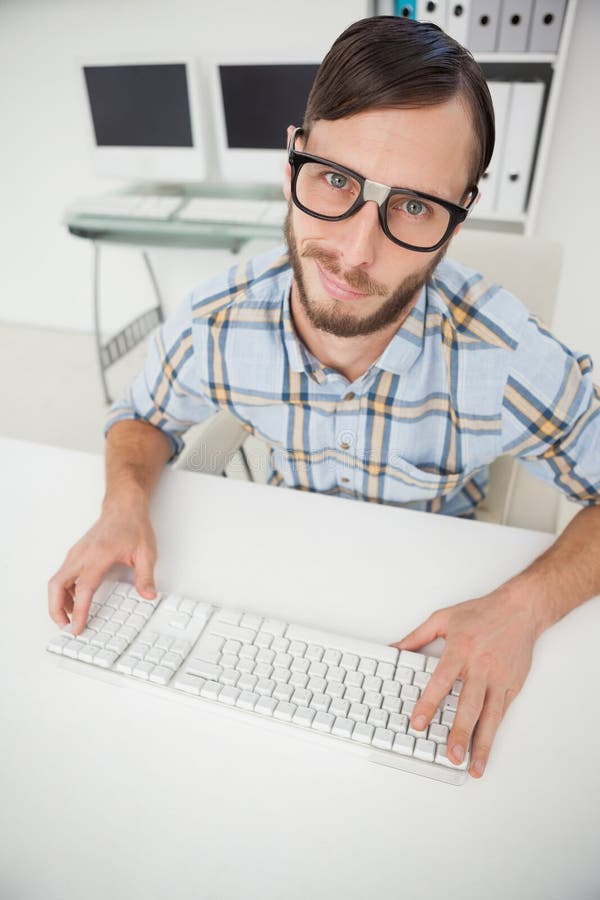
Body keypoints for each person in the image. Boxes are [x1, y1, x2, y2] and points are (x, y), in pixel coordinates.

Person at [48, 16, 600, 779]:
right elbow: (141, 418)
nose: (355, 251)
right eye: (336, 180)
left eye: (413, 206)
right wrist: (121, 504)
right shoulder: (220, 319)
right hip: (283, 592)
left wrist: (525, 607)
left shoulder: (504, 357)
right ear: (293, 162)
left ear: (458, 215)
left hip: (437, 608)